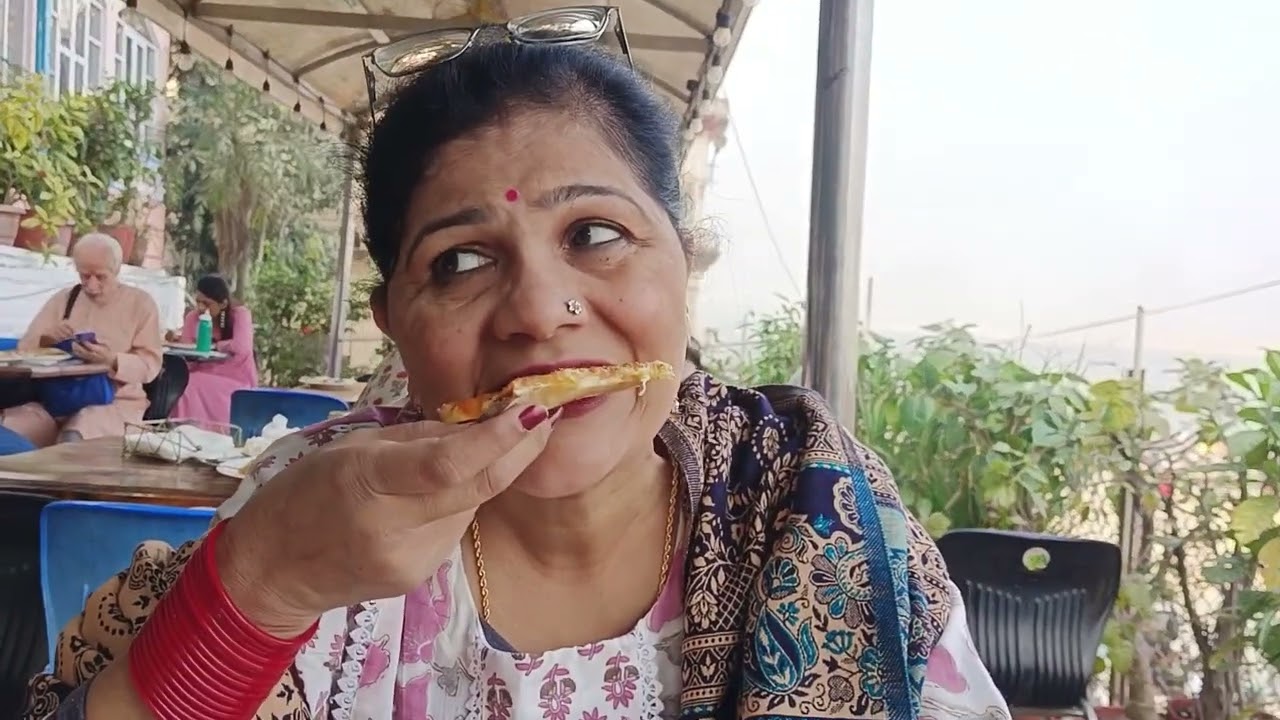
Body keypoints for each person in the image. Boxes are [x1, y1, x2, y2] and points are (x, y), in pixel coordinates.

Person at [22, 21, 1010, 720]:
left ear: (686, 262)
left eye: (596, 234)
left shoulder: (817, 513)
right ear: (393, 326)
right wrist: (262, 587)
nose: (539, 310)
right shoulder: (311, 514)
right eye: (459, 261)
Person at [1, 233, 162, 446]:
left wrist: (112, 360)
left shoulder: (140, 304)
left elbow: (150, 365)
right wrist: (47, 339)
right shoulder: (65, 298)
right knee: (11, 429)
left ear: (116, 269)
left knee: (74, 438)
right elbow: (24, 348)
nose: (92, 285)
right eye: (85, 276)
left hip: (115, 402)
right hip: (58, 398)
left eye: (100, 277)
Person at [167, 275, 257, 424]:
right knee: (178, 383)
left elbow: (242, 347)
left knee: (192, 384)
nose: (201, 308)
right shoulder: (193, 317)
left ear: (223, 304)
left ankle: (202, 428)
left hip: (235, 378)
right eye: (198, 302)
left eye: (207, 303)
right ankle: (184, 428)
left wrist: (217, 346)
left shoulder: (239, 315)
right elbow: (186, 347)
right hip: (199, 372)